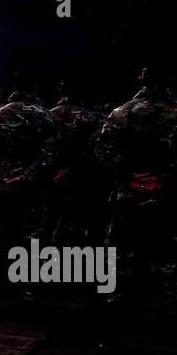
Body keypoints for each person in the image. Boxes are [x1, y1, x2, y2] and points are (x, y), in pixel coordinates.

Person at [93, 63, 177, 317]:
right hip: (170, 195)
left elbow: (102, 152)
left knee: (122, 250)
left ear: (141, 79)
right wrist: (162, 177)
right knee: (168, 254)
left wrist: (131, 175)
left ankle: (118, 301)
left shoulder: (120, 113)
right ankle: (167, 306)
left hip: (129, 192)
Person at [0, 70, 60, 304]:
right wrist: (25, 177)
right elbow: (51, 156)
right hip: (33, 191)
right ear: (35, 88)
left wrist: (0, 175)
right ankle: (29, 290)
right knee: (32, 240)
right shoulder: (46, 116)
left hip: (0, 189)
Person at [49, 81, 105, 245]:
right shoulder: (94, 118)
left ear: (60, 92)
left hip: (52, 178)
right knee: (83, 225)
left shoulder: (48, 115)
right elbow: (99, 151)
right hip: (84, 178)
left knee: (52, 224)